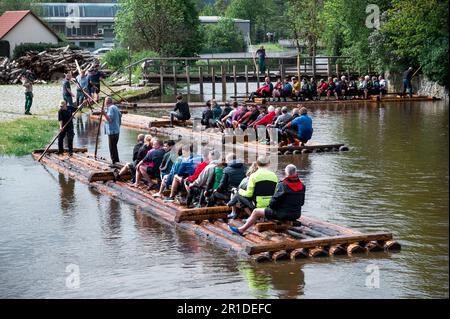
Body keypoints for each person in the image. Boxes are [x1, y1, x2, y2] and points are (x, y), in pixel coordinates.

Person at [229, 164, 305, 236]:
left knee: (256, 211)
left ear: (286, 173)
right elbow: (302, 203)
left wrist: (269, 208)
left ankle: (241, 230)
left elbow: (274, 201)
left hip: (283, 214)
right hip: (296, 214)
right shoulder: (302, 186)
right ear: (296, 172)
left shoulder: (283, 185)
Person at [102, 96, 122, 166]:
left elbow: (109, 120)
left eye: (104, 102)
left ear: (106, 102)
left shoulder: (110, 108)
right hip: (116, 131)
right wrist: (119, 125)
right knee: (114, 147)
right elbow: (120, 115)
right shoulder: (115, 107)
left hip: (112, 132)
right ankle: (117, 161)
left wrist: (104, 113)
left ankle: (114, 162)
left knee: (112, 148)